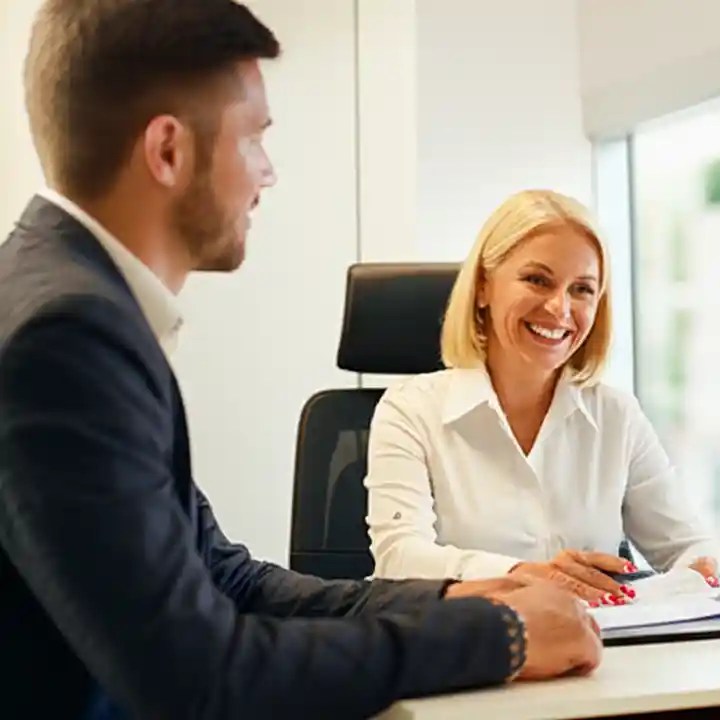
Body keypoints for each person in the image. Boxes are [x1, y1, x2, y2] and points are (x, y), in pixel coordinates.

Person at [0, 2, 600, 718]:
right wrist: (499, 636)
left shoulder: (65, 301)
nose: (268, 172)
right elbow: (196, 675)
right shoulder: (67, 338)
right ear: (168, 151)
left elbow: (227, 579)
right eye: (254, 138)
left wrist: (451, 598)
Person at [364, 189, 720, 606]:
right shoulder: (410, 410)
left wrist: (698, 573)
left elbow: (689, 547)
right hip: (465, 654)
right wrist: (522, 576)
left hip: (597, 654)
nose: (559, 308)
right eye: (537, 280)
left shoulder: (616, 415)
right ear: (484, 288)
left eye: (582, 289)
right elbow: (399, 558)